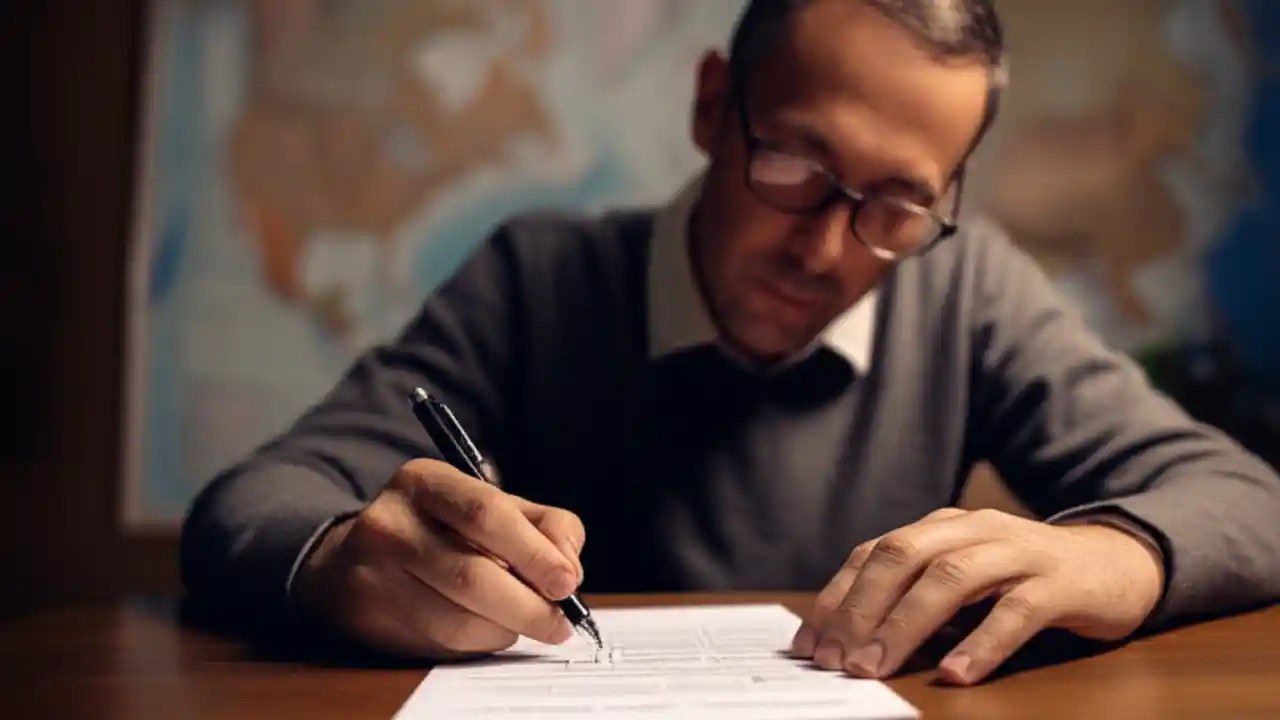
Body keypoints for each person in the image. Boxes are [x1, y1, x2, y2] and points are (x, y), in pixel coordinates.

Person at [180, 0, 1280, 686]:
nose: (827, 251)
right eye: (797, 165)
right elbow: (256, 498)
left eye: (897, 204)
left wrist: (1111, 551)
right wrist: (334, 562)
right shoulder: (540, 278)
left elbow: (1245, 500)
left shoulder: (963, 287)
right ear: (714, 106)